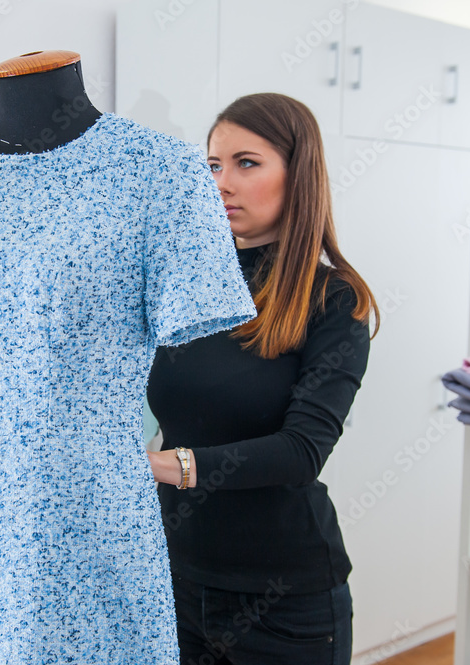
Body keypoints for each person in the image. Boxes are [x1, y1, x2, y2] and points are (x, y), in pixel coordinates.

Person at [146, 93, 379, 665]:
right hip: (177, 578)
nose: (222, 183)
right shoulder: (188, 286)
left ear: (297, 175)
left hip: (284, 603)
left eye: (246, 163)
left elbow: (302, 451)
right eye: (213, 166)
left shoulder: (334, 299)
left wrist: (159, 467)